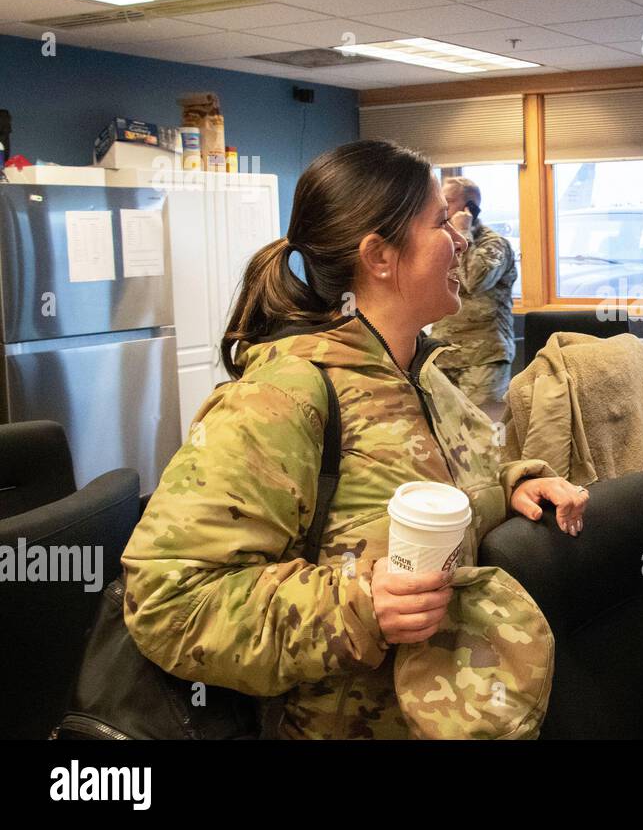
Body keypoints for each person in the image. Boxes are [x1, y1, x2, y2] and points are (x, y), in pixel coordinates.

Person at [121, 140, 587, 739]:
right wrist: (359, 606)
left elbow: (436, 486)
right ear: (381, 257)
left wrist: (514, 482)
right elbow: (167, 600)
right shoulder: (285, 396)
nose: (461, 238)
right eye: (439, 222)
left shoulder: (422, 371)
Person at [425, 175, 517, 408]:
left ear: (470, 207)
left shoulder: (495, 244)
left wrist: (463, 232)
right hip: (442, 355)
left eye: (448, 201)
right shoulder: (440, 242)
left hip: (484, 358)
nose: (441, 207)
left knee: (483, 436)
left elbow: (474, 280)